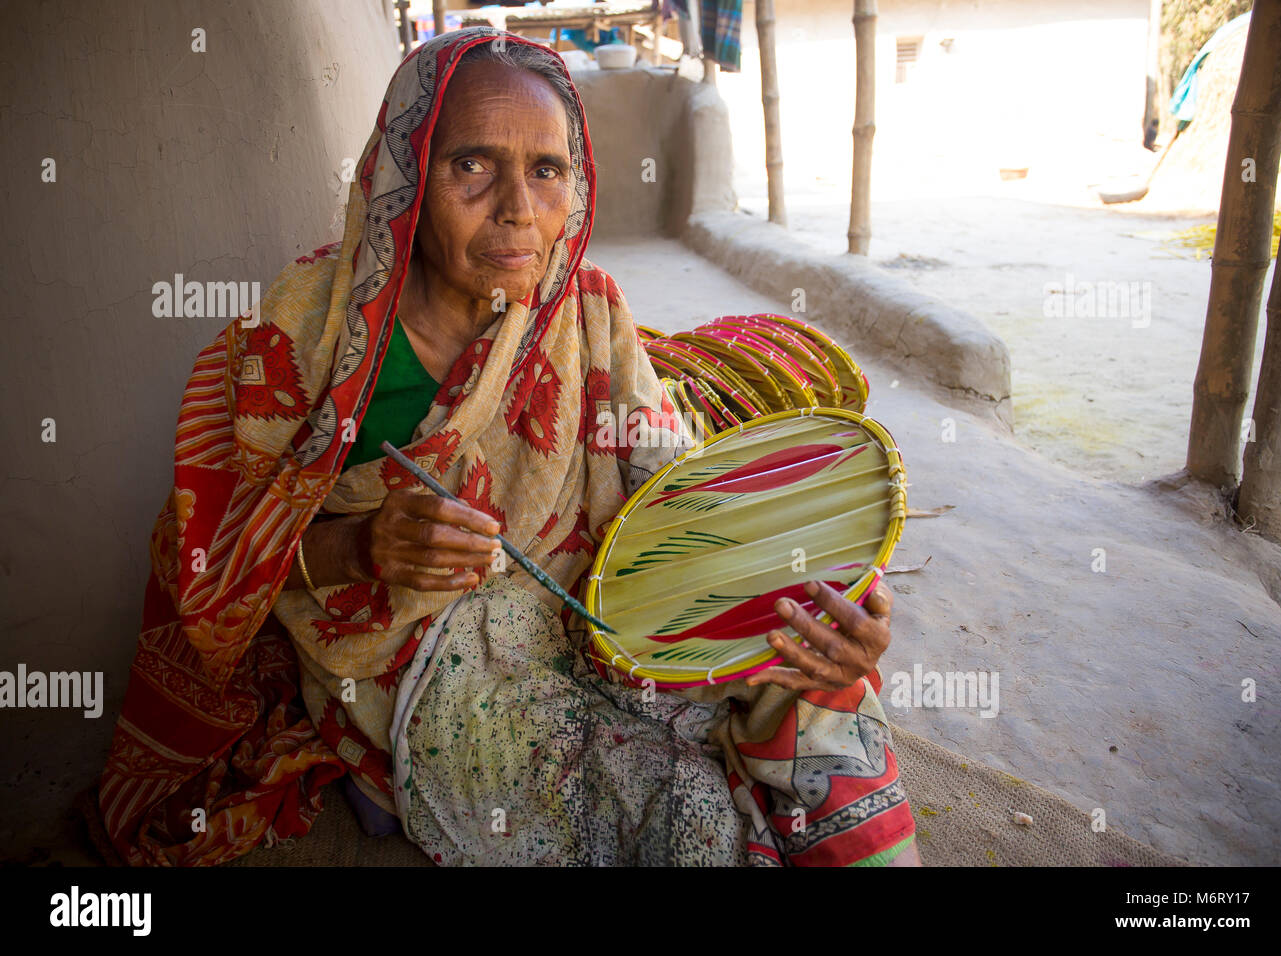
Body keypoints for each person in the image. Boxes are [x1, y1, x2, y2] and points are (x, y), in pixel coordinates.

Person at [95, 26, 918, 867]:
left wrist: (815, 582)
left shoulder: (586, 309)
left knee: (816, 680)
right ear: (407, 172)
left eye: (547, 170)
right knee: (685, 813)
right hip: (425, 650)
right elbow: (216, 559)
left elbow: (674, 497)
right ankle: (404, 770)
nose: (520, 209)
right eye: (472, 166)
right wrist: (361, 545)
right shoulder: (306, 335)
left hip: (590, 597)